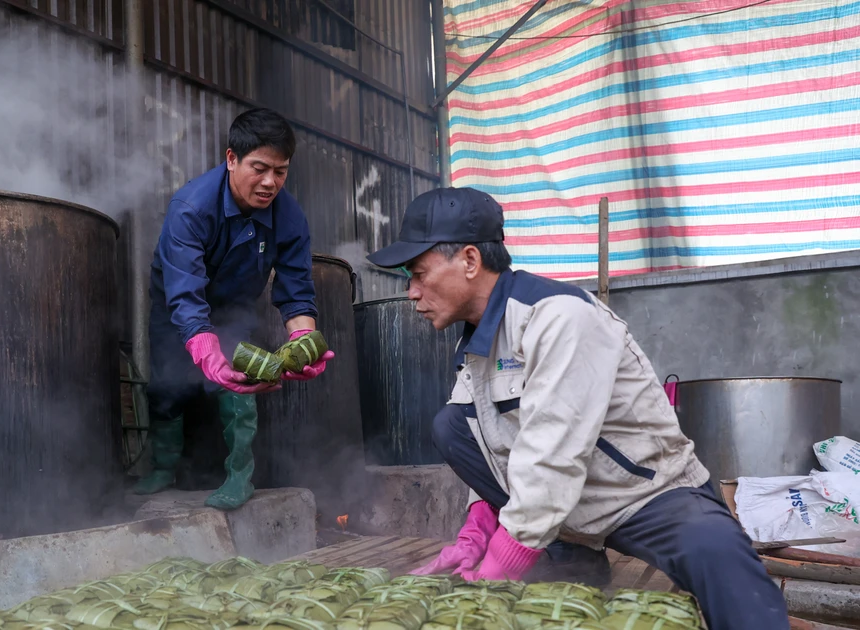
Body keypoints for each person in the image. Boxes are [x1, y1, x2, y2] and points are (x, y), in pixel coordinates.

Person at [366, 187, 789, 629]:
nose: (411, 292)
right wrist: (476, 533)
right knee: (452, 424)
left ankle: (559, 541)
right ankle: (570, 551)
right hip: (566, 513)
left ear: (470, 261)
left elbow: (553, 448)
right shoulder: (477, 341)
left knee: (719, 559)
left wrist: (499, 567)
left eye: (418, 274)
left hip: (643, 496)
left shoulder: (558, 317)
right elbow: (492, 443)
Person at [133, 107, 334, 510]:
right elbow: (185, 293)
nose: (269, 182)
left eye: (280, 171)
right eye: (259, 168)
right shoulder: (191, 208)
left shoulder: (289, 216)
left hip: (236, 307)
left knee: (239, 383)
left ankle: (239, 476)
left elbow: (296, 291)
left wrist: (304, 337)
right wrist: (206, 351)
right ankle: (161, 467)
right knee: (167, 386)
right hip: (179, 305)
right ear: (231, 159)